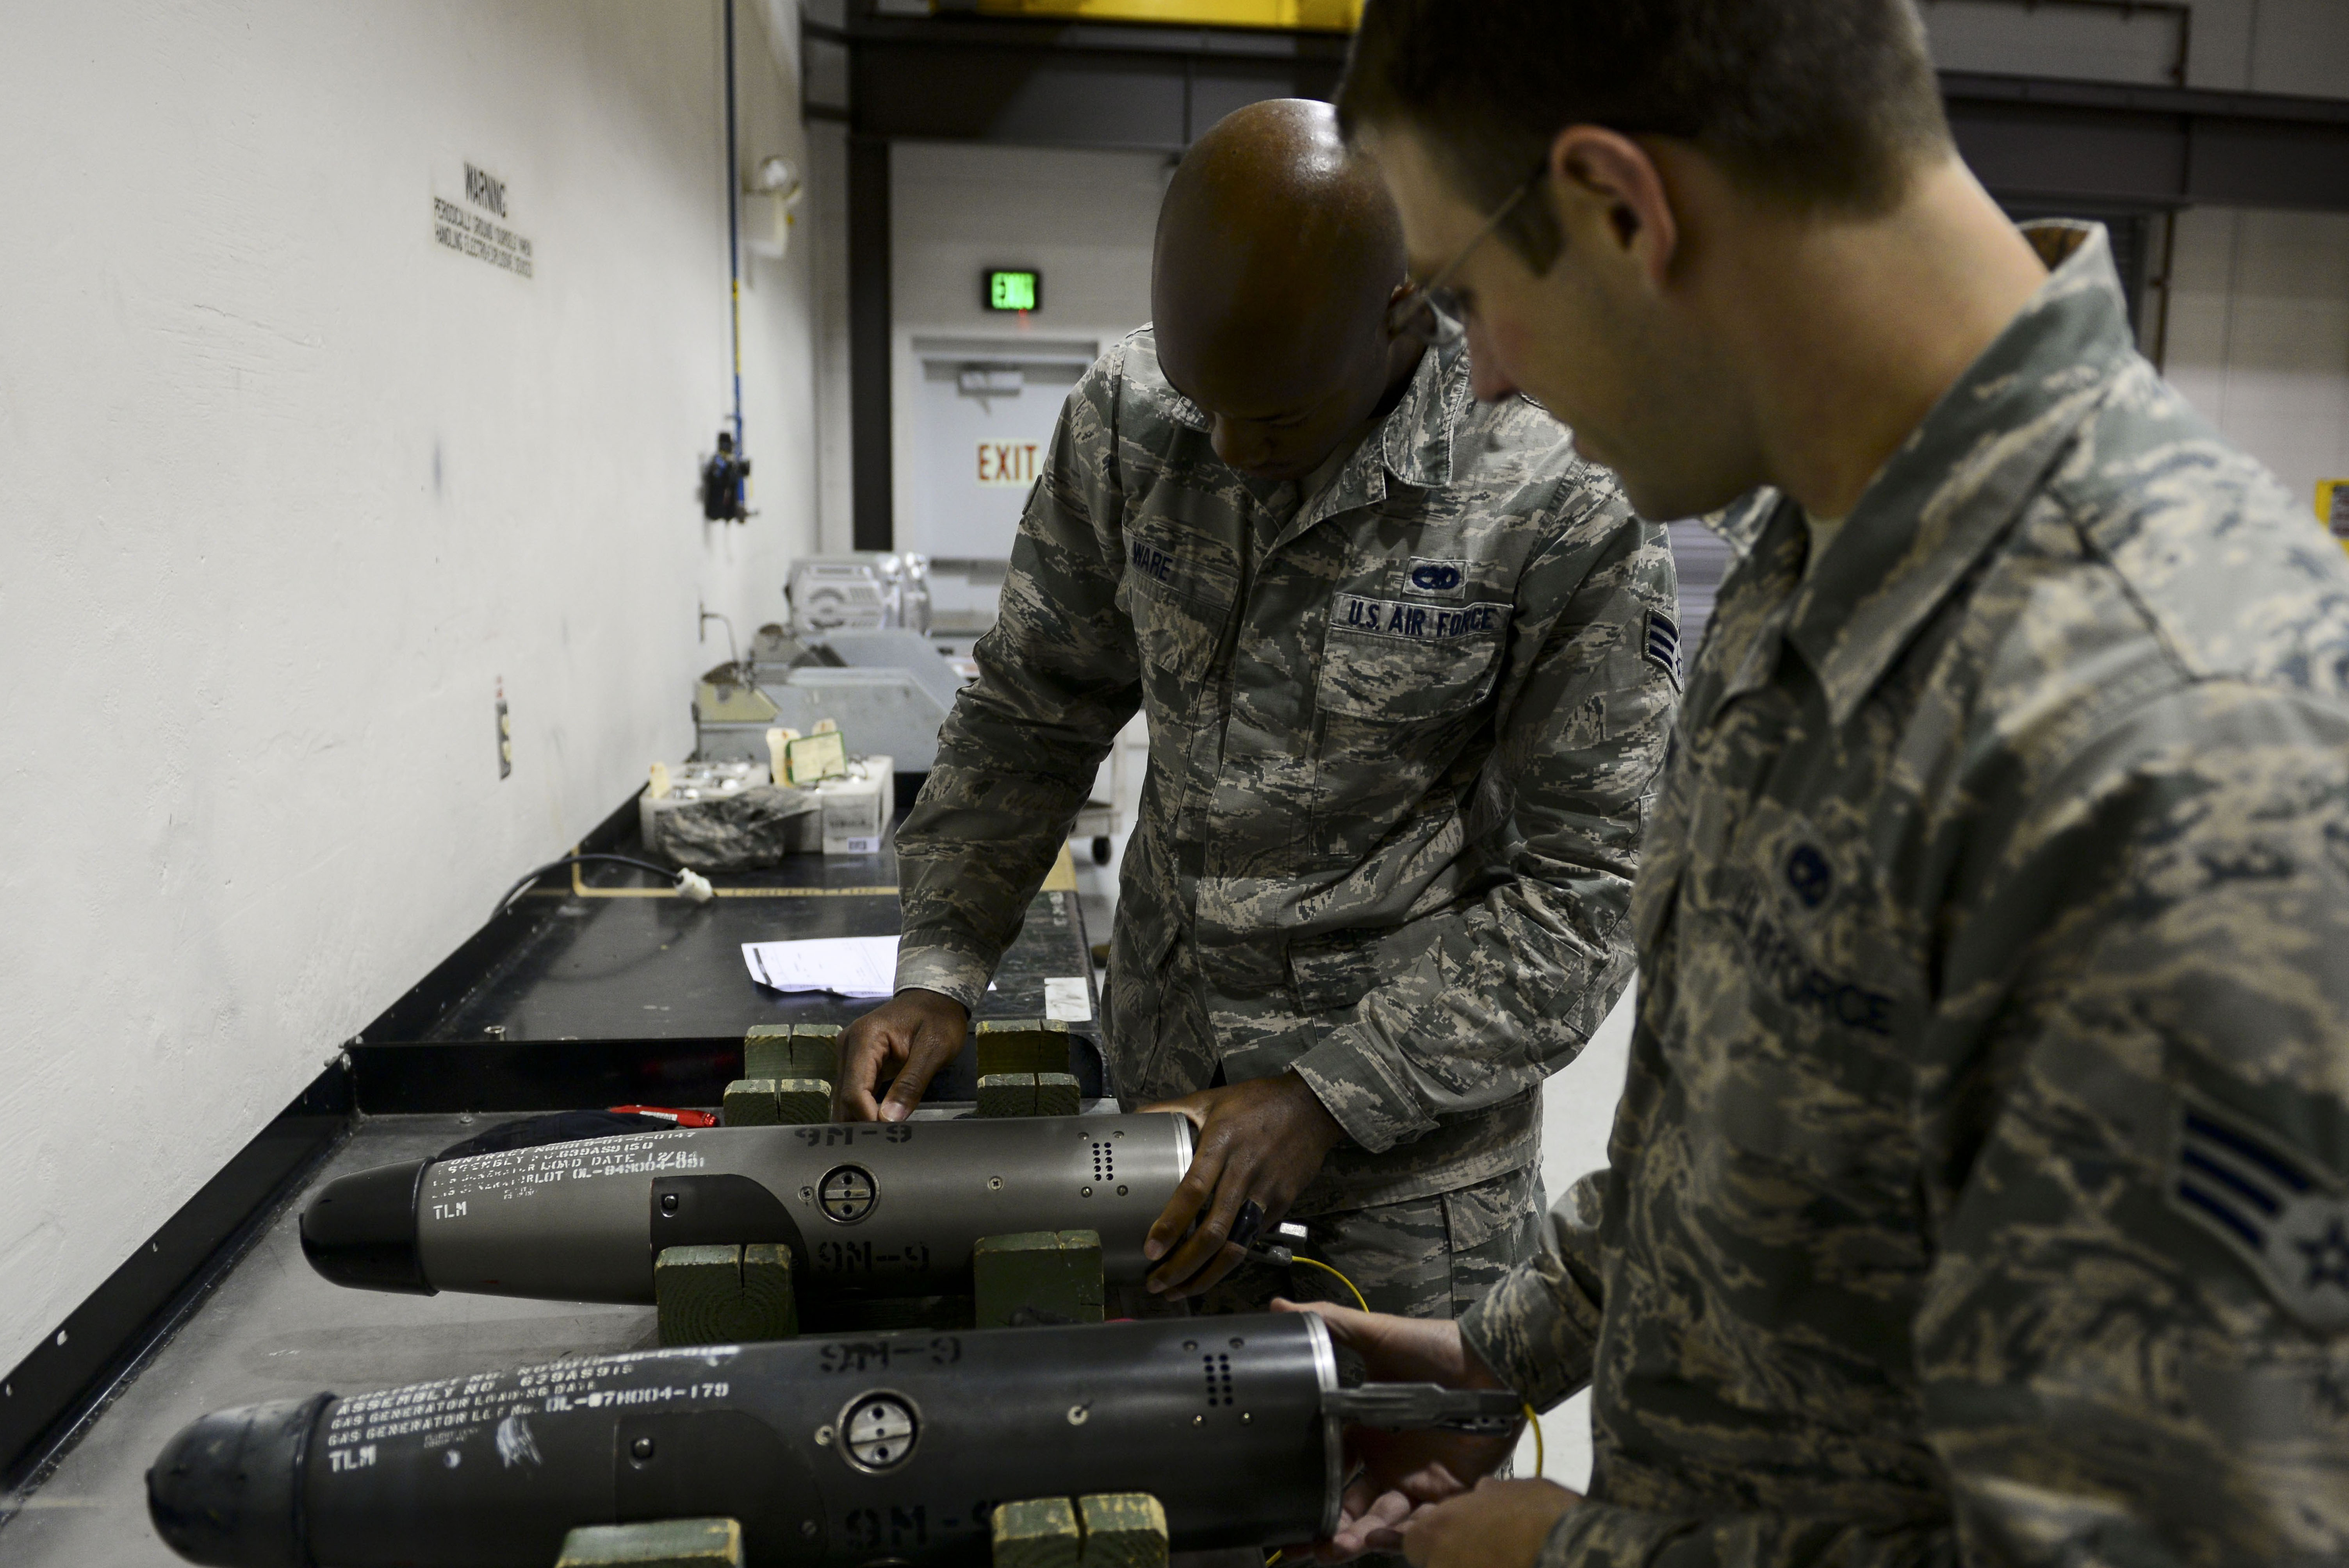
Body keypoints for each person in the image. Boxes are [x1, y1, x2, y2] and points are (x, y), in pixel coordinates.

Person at [1295, 0, 2349, 1563]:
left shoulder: (2174, 754)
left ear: (1617, 206)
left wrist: (1558, 1555)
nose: (1494, 380)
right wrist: (1503, 1342)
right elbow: (1758, 1102)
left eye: (1468, 297)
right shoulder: (1820, 541)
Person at [833, 98, 1681, 1317]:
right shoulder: (1134, 411)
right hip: (1166, 1141)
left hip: (1413, 1189)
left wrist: (1329, 1096)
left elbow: (1587, 893)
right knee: (1161, 1483)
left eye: (1272, 416)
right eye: (1203, 400)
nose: (1226, 449)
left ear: (1402, 311)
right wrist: (942, 965)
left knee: (1397, 1507)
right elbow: (1033, 709)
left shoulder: (1560, 493)